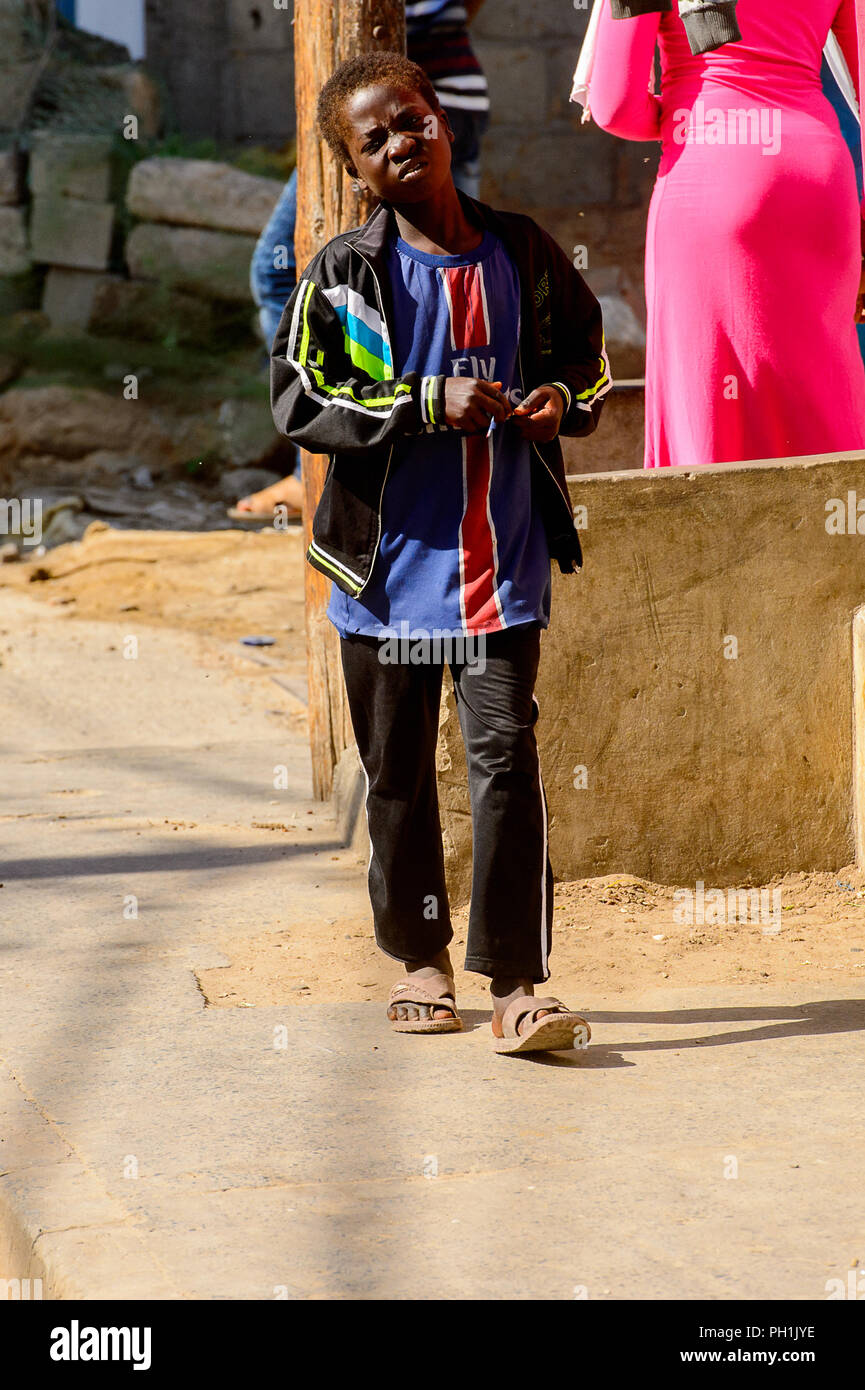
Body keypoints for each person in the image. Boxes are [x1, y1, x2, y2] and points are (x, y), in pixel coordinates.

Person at [270, 51, 611, 1053]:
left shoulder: (523, 252)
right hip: (385, 581)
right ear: (356, 172)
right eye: (370, 141)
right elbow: (301, 402)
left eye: (408, 120)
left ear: (441, 122)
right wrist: (426, 401)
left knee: (506, 763)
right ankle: (419, 960)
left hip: (500, 572)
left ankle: (517, 983)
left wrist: (559, 405)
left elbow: (582, 362)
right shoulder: (349, 273)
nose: (396, 144)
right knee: (401, 777)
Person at [582, 0, 865, 469]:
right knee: (822, 395)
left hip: (710, 171)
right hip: (820, 181)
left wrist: (690, 109)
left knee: (713, 409)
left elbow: (613, 106)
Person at [236, 1, 490, 521]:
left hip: (414, 98)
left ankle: (350, 460)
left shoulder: (528, 247)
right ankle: (358, 443)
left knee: (443, 285)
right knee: (425, 285)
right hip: (406, 99)